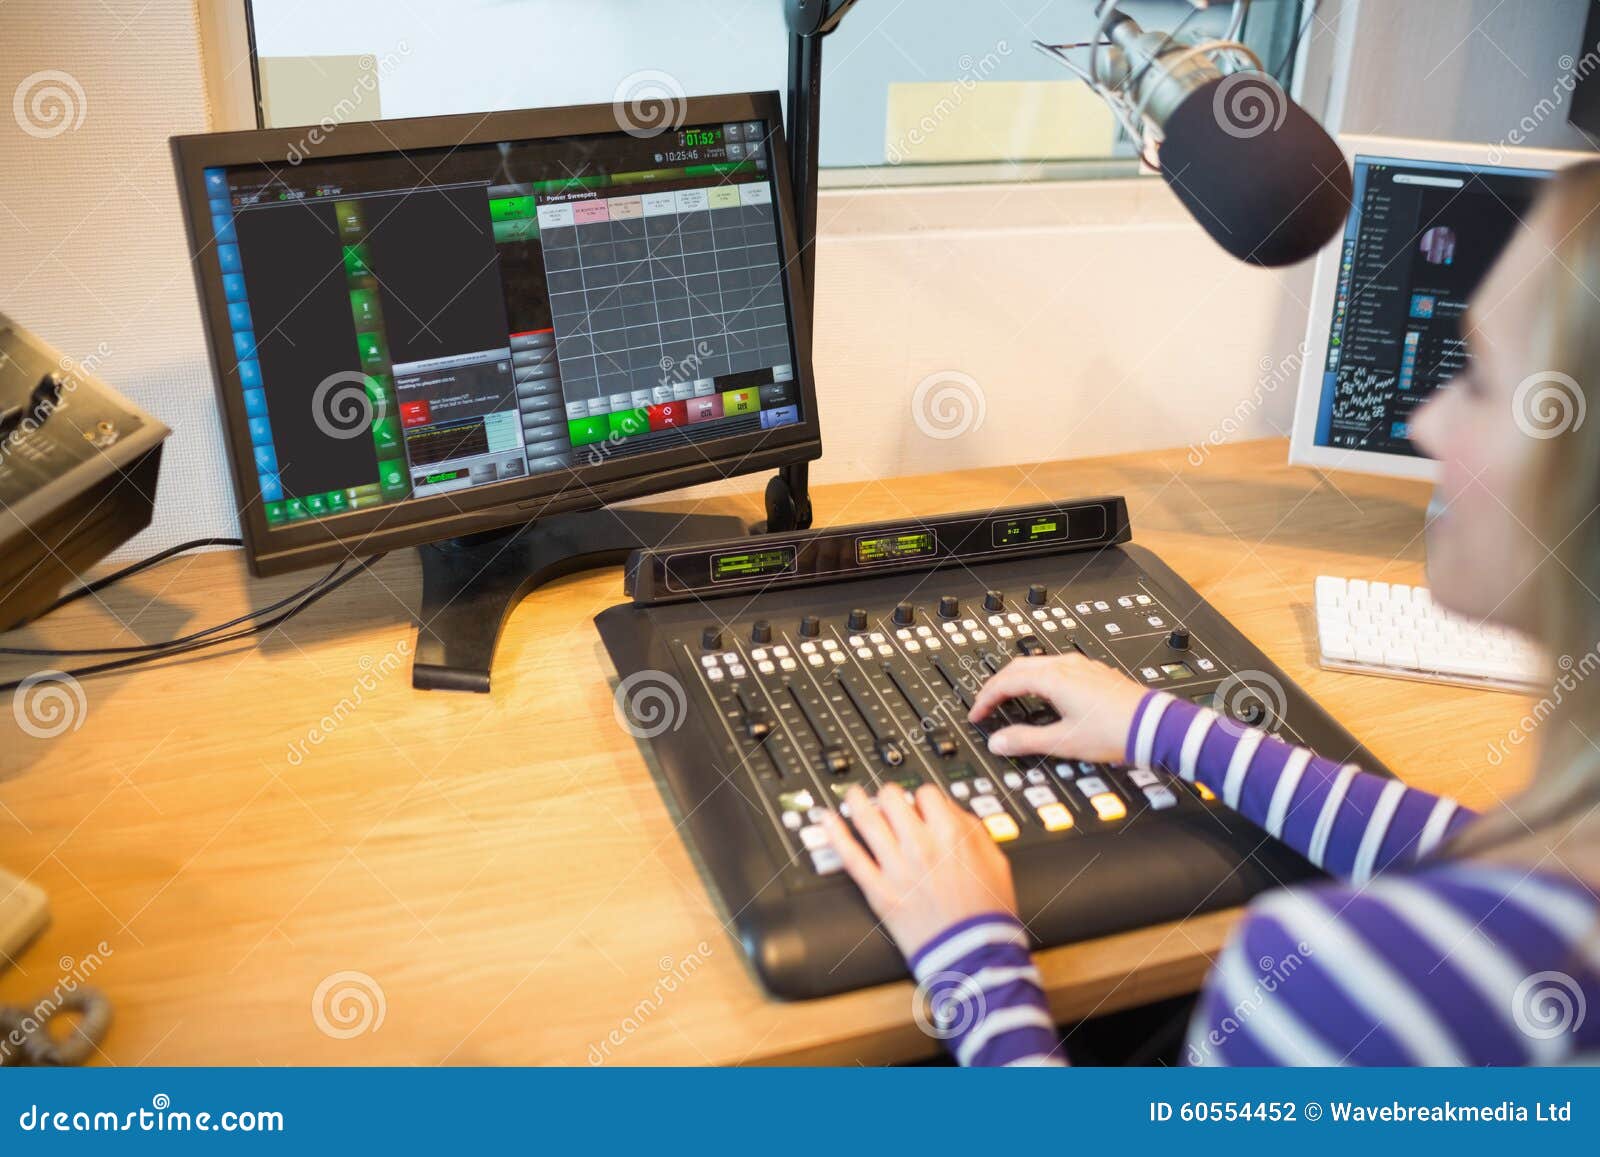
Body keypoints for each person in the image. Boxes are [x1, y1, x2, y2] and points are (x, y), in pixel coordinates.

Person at [820, 162, 1600, 1066]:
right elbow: (1479, 857)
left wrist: (970, 955)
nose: (1427, 423)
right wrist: (1168, 728)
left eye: (1480, 381)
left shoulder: (1333, 979)